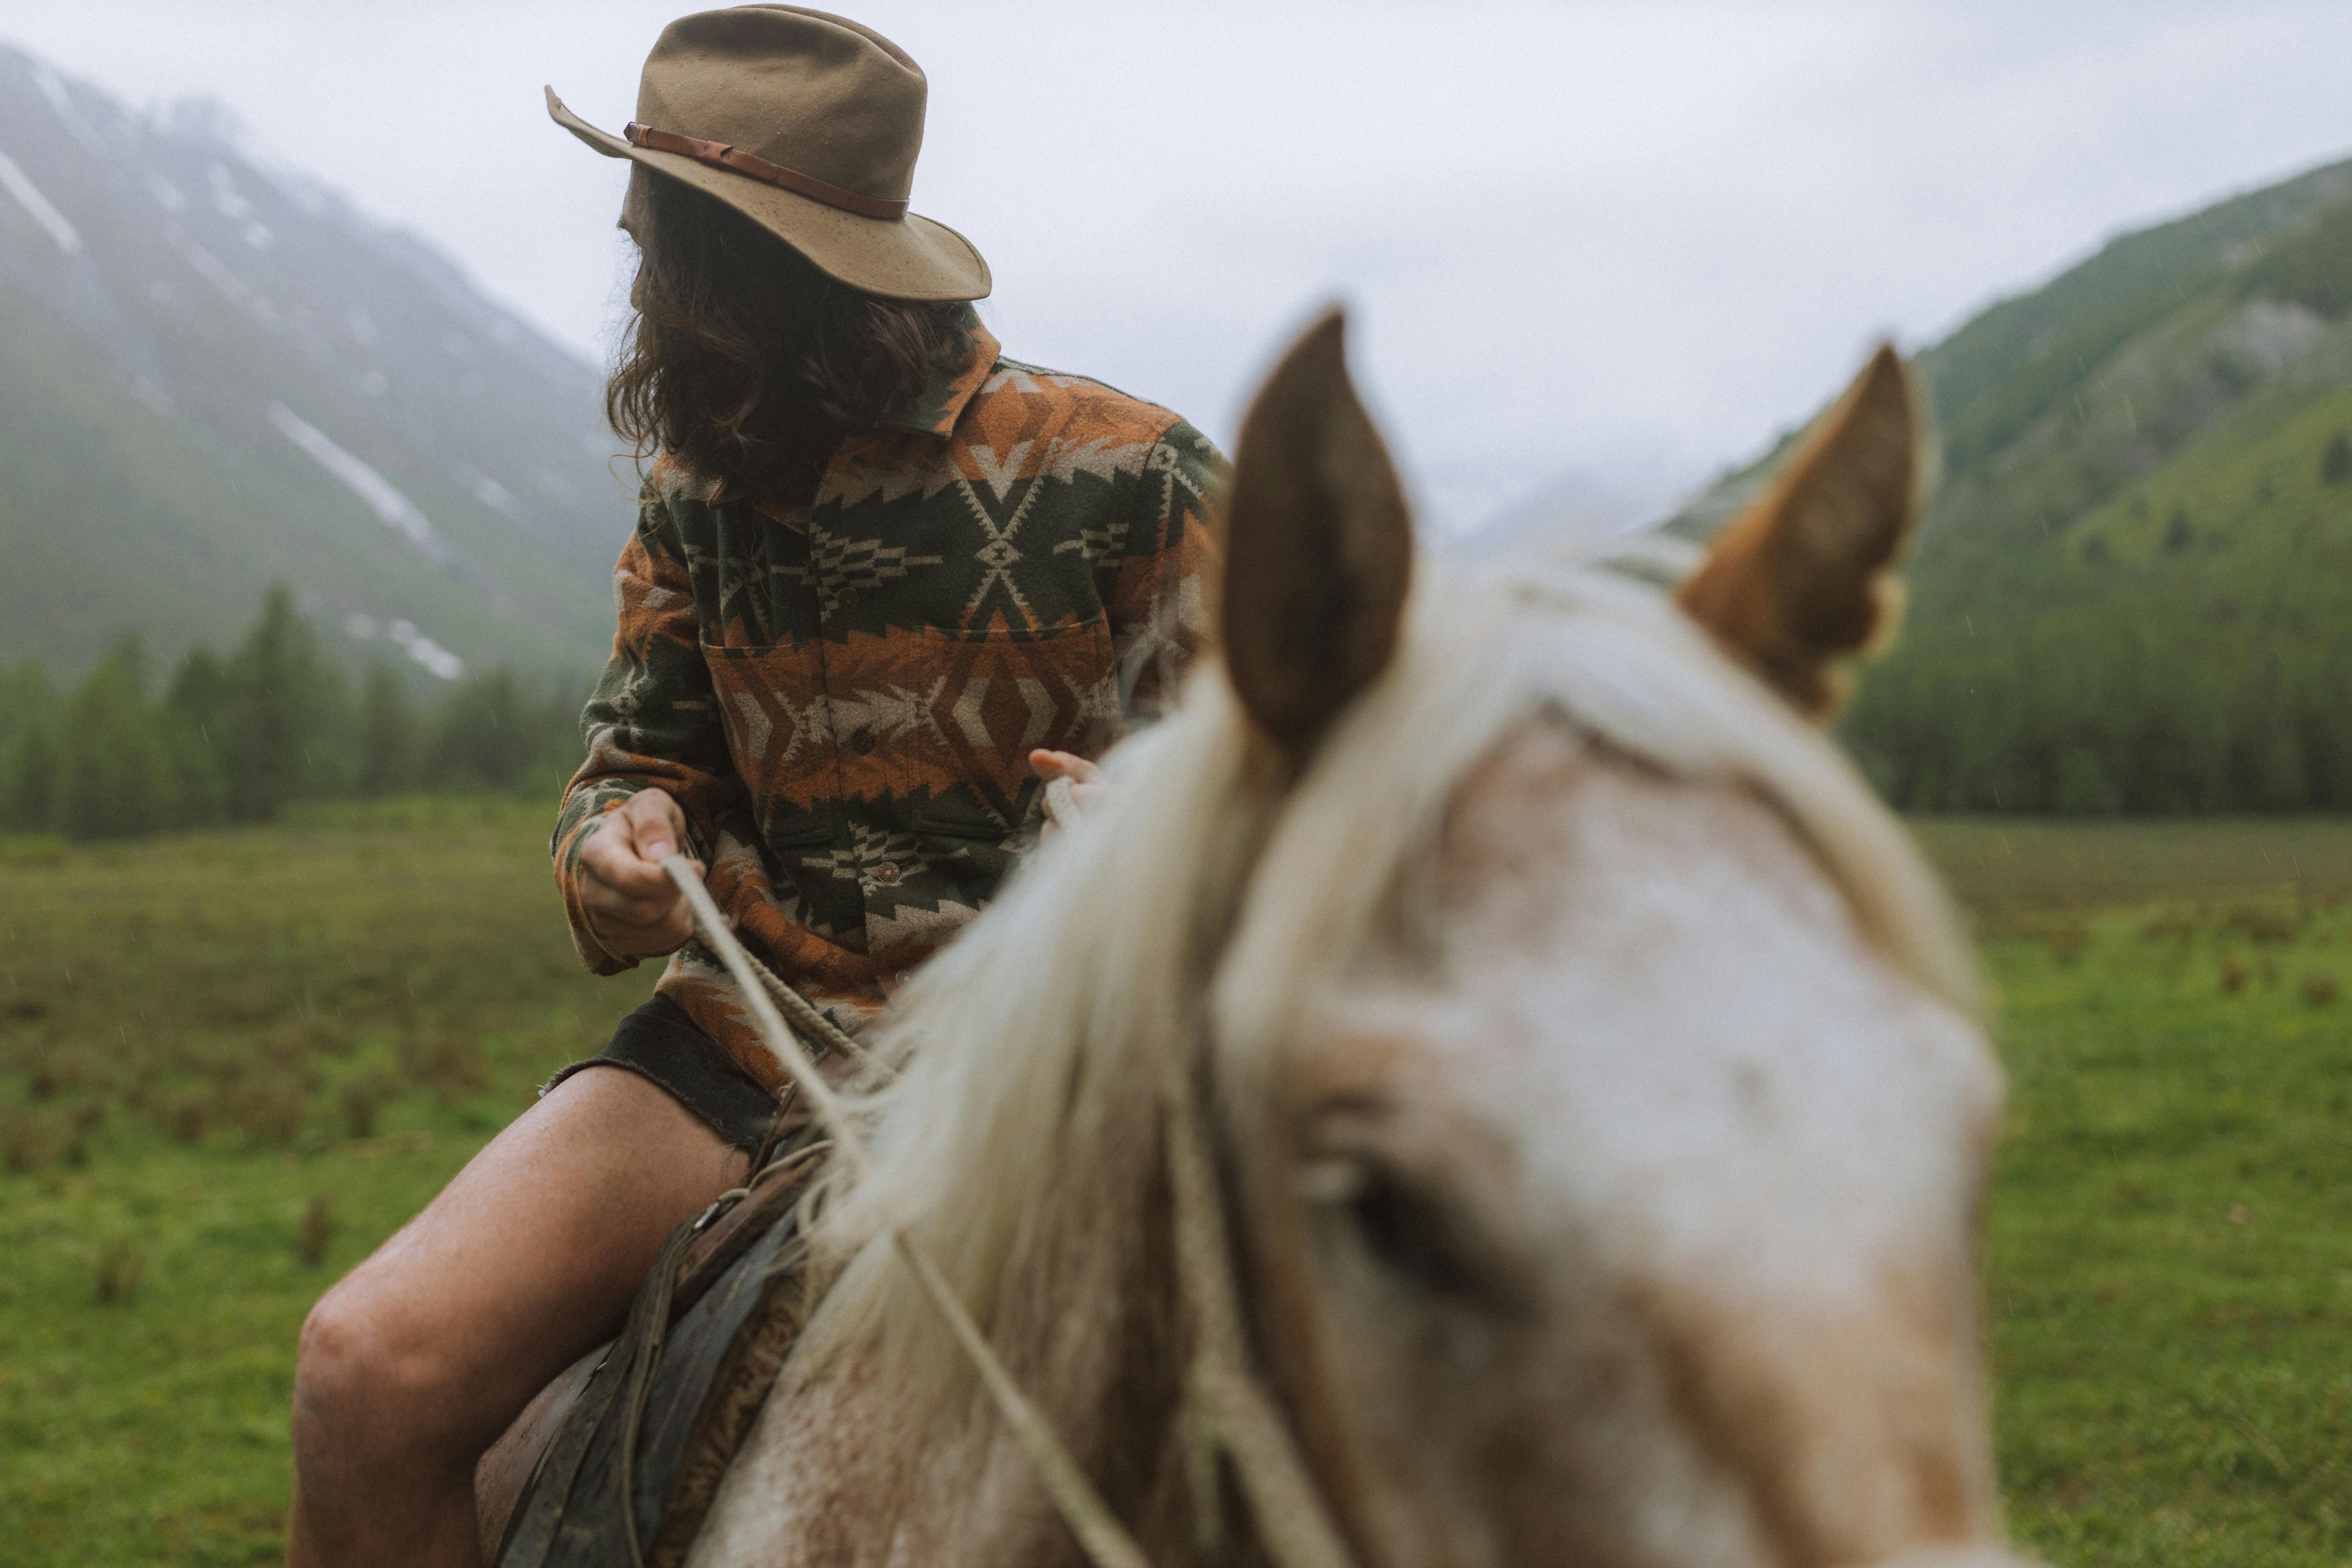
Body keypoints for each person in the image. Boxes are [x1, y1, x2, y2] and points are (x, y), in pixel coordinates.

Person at [286, 9, 1220, 1562]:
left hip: (1052, 1074)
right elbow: (632, 766)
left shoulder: (1135, 471)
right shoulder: (694, 494)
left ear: (791, 270)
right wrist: (618, 848)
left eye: (677, 254)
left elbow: (1321, 793)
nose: (646, 289)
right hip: (734, 1053)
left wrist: (1170, 836)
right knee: (365, 1367)